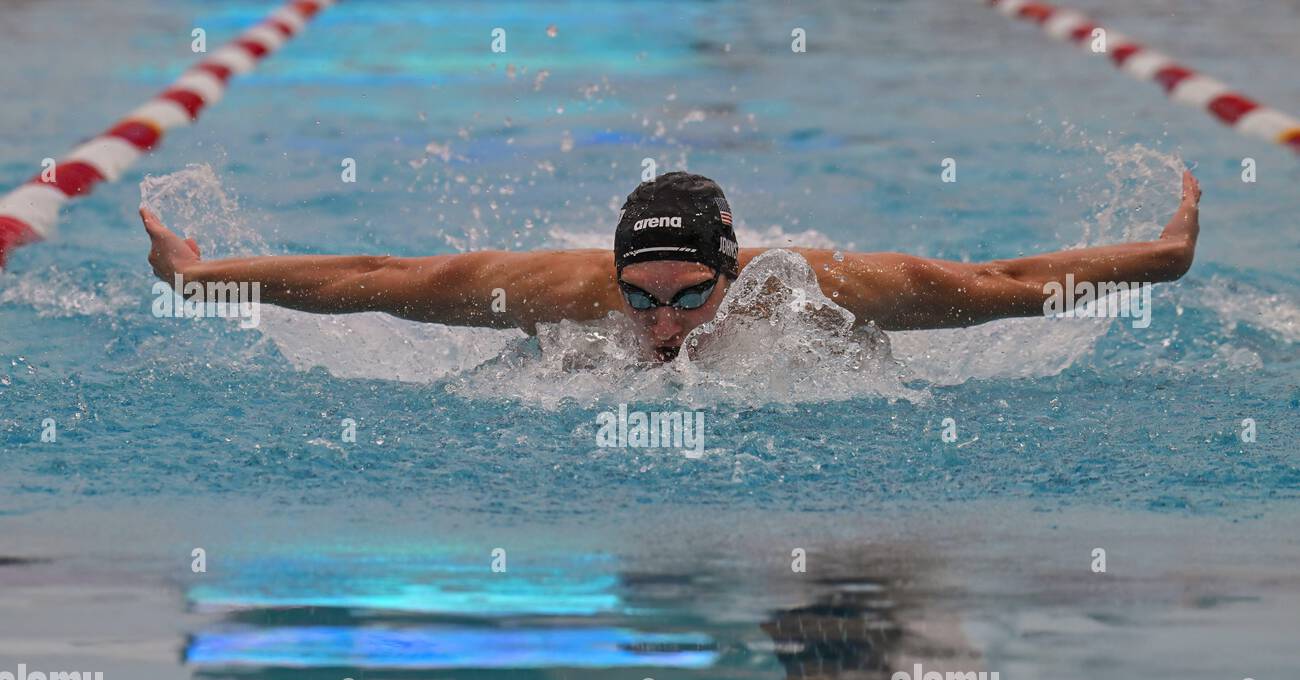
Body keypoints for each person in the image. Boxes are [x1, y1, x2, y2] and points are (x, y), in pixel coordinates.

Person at [141, 169, 1201, 363]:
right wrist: (204, 278)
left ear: (734, 276)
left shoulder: (817, 289)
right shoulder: (556, 290)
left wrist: (1156, 262)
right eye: (638, 298)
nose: (660, 327)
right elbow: (375, 275)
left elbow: (1007, 284)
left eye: (691, 297)